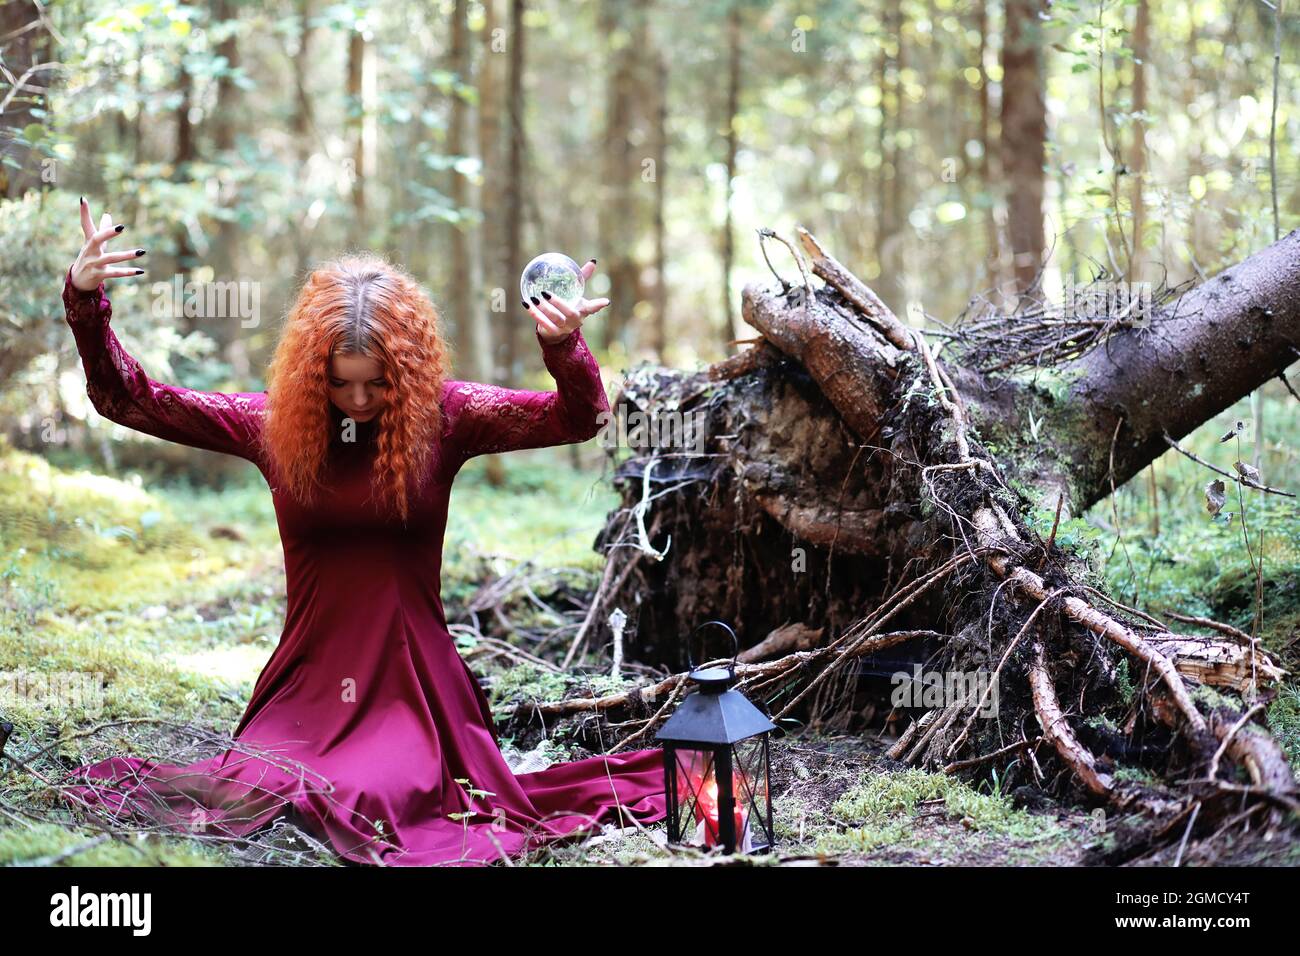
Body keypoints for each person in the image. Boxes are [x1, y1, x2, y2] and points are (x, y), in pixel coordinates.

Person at [57, 198, 669, 866]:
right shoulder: (274, 428)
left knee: (376, 792)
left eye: (375, 385)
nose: (356, 400)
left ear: (405, 372)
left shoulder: (450, 418)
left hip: (415, 687)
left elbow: (577, 420)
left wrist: (563, 347)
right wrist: (87, 305)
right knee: (275, 787)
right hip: (307, 683)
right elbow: (131, 399)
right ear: (312, 373)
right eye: (339, 384)